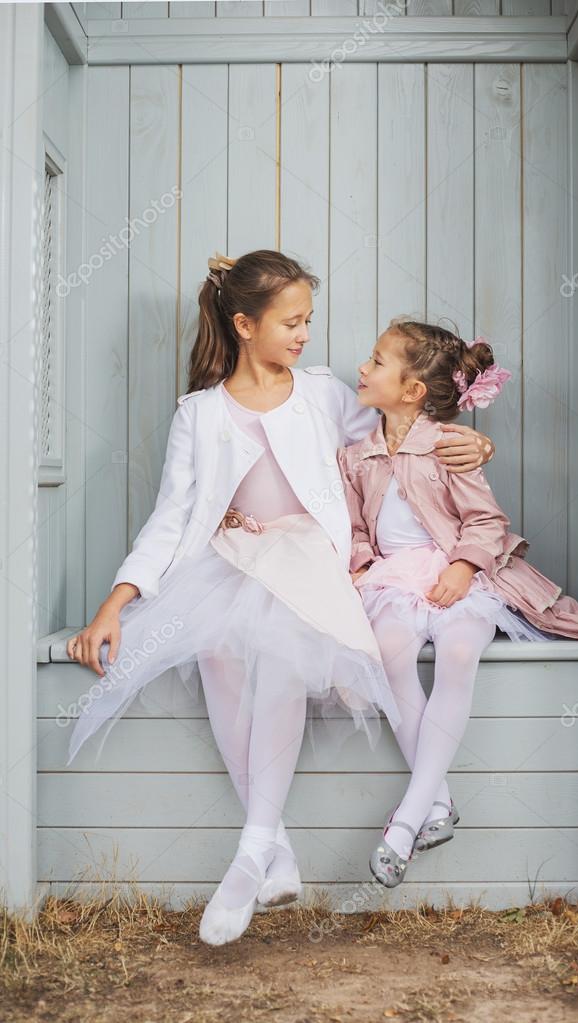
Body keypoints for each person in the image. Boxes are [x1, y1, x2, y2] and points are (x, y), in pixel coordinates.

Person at [66, 251, 497, 944]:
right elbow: (170, 519)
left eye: (307, 321)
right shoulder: (200, 414)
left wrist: (467, 442)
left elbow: (398, 438)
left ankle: (248, 853)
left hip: (306, 558)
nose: (303, 334)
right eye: (290, 321)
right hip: (230, 556)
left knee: (278, 652)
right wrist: (115, 603)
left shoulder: (324, 393)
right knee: (219, 657)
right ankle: (278, 848)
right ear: (243, 324)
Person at [336, 319, 578, 889]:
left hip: (460, 572)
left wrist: (462, 568)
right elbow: (356, 526)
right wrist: (361, 565)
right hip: (393, 578)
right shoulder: (356, 456)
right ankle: (437, 805)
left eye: (377, 360)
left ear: (412, 391)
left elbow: (485, 520)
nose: (363, 367)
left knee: (459, 652)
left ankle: (408, 818)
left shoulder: (448, 447)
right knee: (388, 653)